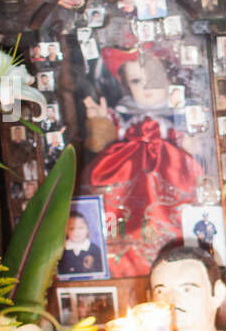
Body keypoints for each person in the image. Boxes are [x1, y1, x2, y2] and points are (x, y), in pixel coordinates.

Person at [84, 46, 203, 275]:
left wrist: (191, 146)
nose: (146, 87)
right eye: (137, 81)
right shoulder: (123, 113)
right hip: (126, 176)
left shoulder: (177, 112)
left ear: (169, 78)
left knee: (173, 215)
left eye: (154, 78)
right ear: (126, 84)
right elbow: (104, 139)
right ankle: (124, 264)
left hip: (171, 173)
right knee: (121, 219)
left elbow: (194, 140)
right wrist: (100, 123)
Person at [58, 210, 105, 277]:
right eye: (71, 228)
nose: (76, 232)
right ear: (66, 231)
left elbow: (99, 271)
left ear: (87, 229)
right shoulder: (61, 250)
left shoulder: (95, 250)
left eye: (80, 227)